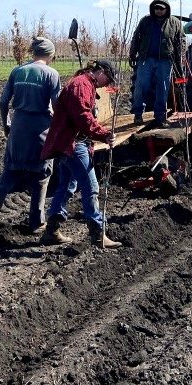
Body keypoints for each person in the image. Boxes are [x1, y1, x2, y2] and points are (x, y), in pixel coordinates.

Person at [0, 37, 61, 236]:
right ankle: (36, 222)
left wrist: (6, 124)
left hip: (18, 127)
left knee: (10, 170)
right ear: (50, 54)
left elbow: (3, 102)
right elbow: (57, 105)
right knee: (42, 175)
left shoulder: (18, 71)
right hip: (40, 130)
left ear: (34, 52)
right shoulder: (51, 74)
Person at [40, 60, 121, 249]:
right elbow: (83, 117)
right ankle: (98, 233)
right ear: (100, 71)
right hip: (73, 144)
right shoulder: (81, 85)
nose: (107, 84)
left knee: (67, 185)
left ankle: (51, 231)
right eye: (108, 79)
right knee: (91, 186)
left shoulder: (85, 84)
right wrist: (104, 134)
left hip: (72, 143)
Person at [129, 0, 185, 129]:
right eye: (156, 8)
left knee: (163, 89)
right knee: (141, 87)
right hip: (146, 59)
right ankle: (138, 114)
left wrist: (180, 59)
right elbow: (136, 37)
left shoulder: (175, 23)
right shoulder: (145, 21)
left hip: (165, 61)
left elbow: (181, 41)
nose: (159, 10)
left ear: (167, 9)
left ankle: (160, 117)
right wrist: (132, 53)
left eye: (161, 8)